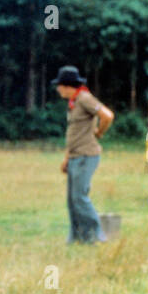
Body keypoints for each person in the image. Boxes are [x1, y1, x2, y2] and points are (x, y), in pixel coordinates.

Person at [55, 64, 113, 243]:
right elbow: (73, 134)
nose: (57, 89)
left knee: (79, 197)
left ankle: (96, 236)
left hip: (86, 155)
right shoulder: (73, 103)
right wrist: (66, 158)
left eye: (59, 85)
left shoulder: (84, 98)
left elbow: (107, 116)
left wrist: (99, 132)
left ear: (66, 86)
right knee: (72, 200)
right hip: (74, 156)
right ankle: (77, 236)